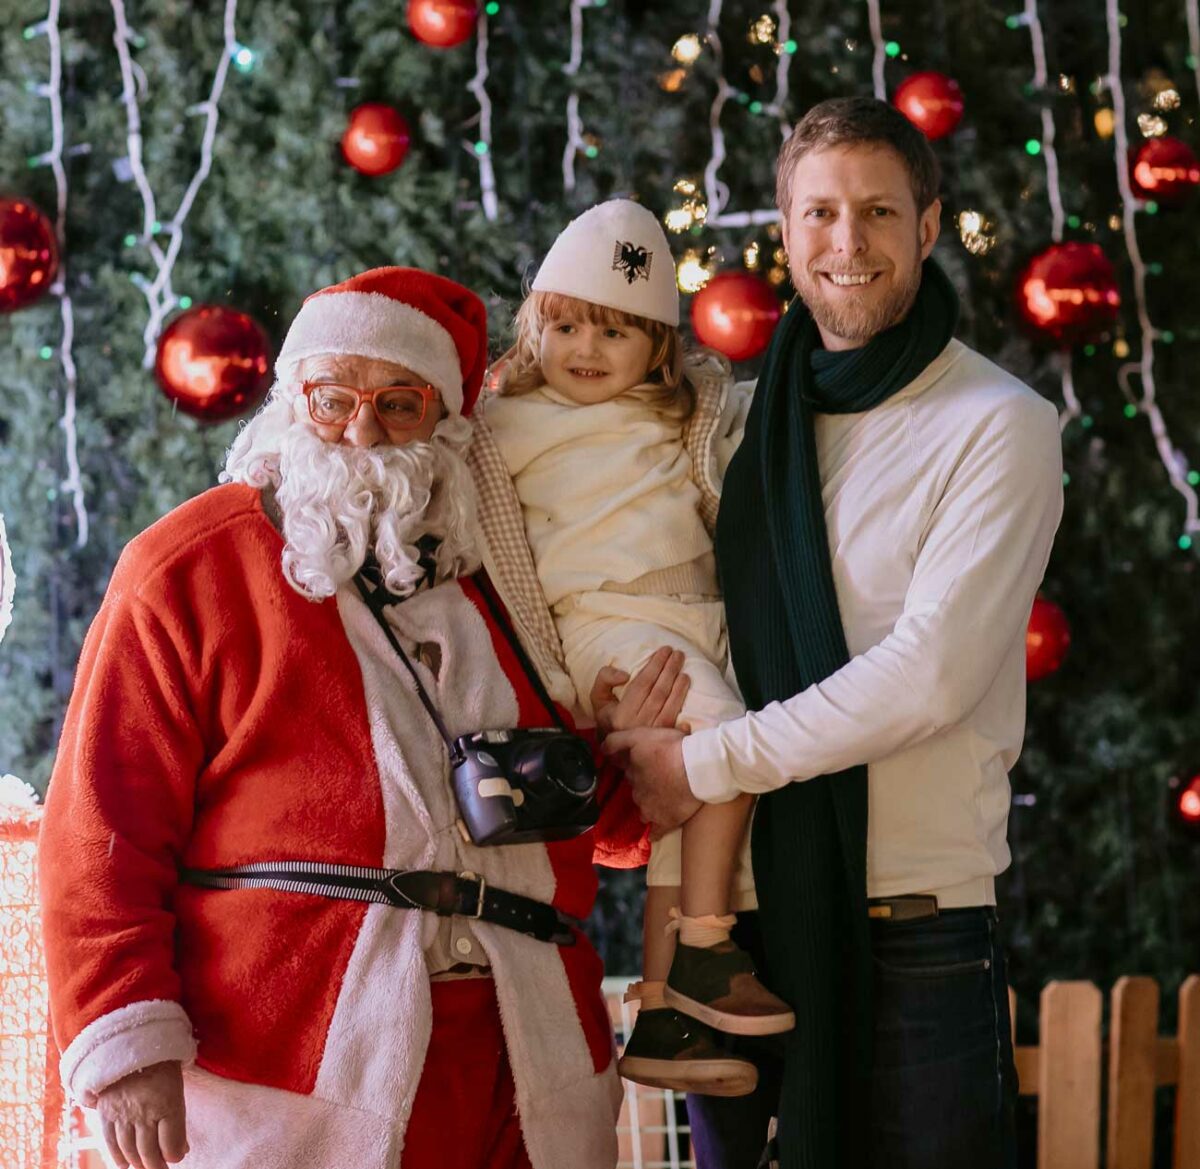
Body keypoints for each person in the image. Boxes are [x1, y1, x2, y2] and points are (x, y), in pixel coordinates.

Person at [38, 266, 690, 1169]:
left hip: (523, 1070)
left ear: (447, 422)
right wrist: (125, 1043)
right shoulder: (189, 567)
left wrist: (640, 765)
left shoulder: (511, 585)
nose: (361, 428)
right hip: (293, 1075)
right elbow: (98, 830)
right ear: (290, 402)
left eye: (399, 402)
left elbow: (586, 833)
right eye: (332, 397)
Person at [604, 96, 1064, 1169]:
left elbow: (928, 677)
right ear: (783, 226)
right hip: (736, 936)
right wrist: (635, 710)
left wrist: (704, 764)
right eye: (818, 213)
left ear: (930, 226)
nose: (845, 243)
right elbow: (682, 611)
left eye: (877, 212)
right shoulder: (744, 422)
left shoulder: (995, 425)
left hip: (913, 934)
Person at [482, 200, 795, 1100]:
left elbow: (731, 461)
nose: (586, 346)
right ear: (535, 325)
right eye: (567, 324)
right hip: (609, 631)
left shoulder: (679, 412)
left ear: (657, 347)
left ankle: (661, 1018)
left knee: (686, 805)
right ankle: (704, 945)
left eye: (615, 332)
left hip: (686, 622)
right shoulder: (509, 422)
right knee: (727, 753)